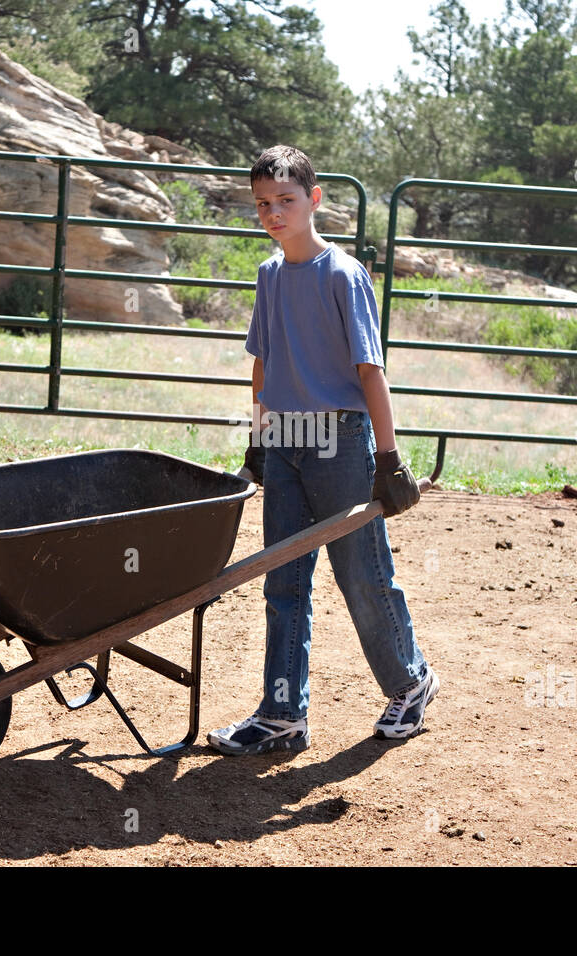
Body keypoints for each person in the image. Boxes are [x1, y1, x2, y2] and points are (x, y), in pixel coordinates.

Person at [206, 144, 438, 756]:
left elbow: (370, 370)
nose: (274, 213)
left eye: (286, 200)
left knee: (362, 574)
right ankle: (282, 714)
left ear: (313, 200)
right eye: (263, 204)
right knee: (283, 581)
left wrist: (388, 460)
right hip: (284, 440)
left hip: (339, 439)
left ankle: (410, 684)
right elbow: (261, 365)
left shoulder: (342, 275)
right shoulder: (268, 275)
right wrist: (260, 439)